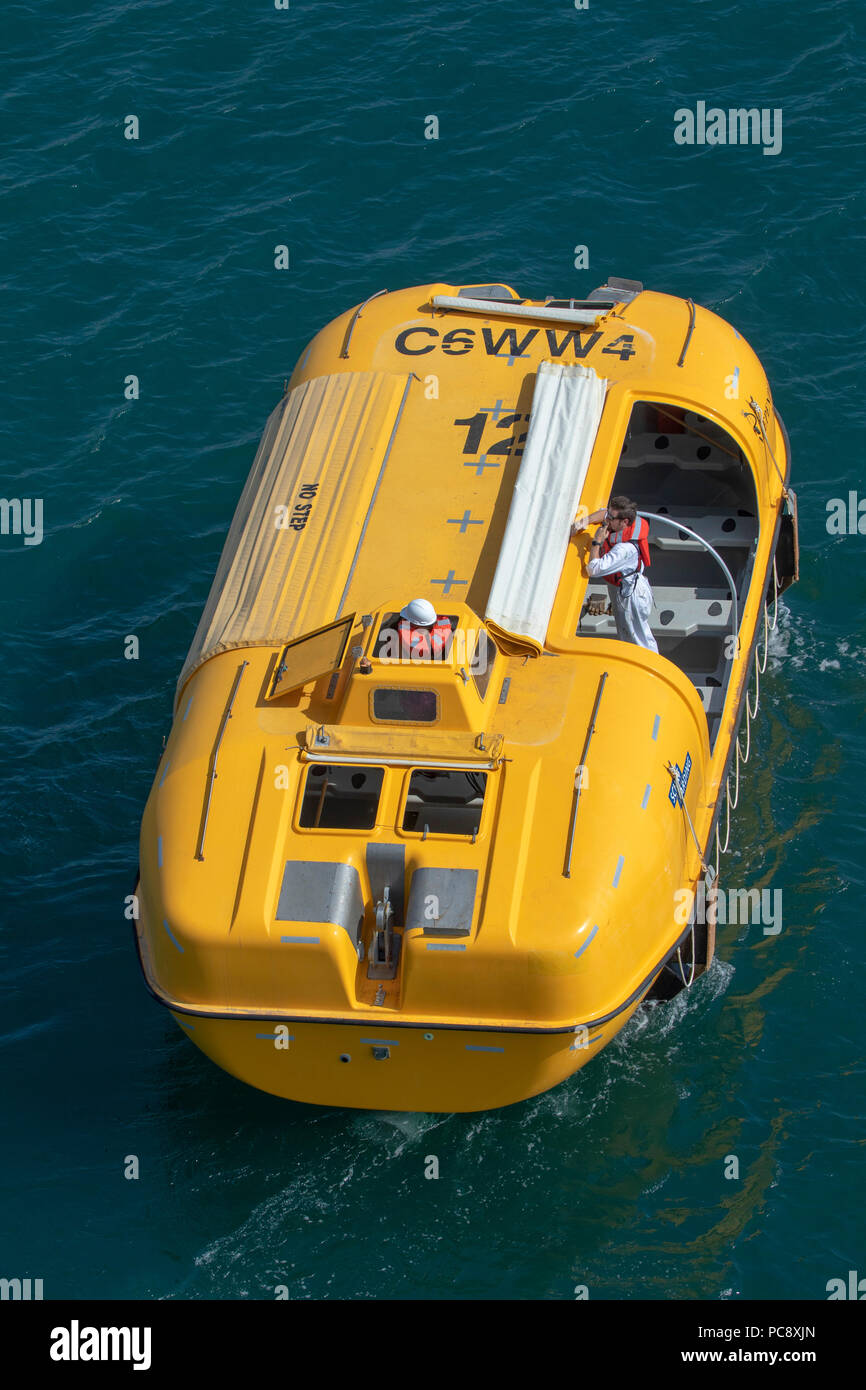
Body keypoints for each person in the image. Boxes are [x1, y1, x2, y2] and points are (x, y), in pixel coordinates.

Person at [573, 497, 658, 653]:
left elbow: (594, 569)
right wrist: (584, 522)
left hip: (631, 594)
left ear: (624, 522)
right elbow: (603, 514)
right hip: (622, 587)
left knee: (639, 638)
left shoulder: (625, 549)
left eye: (612, 518)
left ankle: (648, 665)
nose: (607, 520)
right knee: (626, 634)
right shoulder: (626, 522)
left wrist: (597, 543)